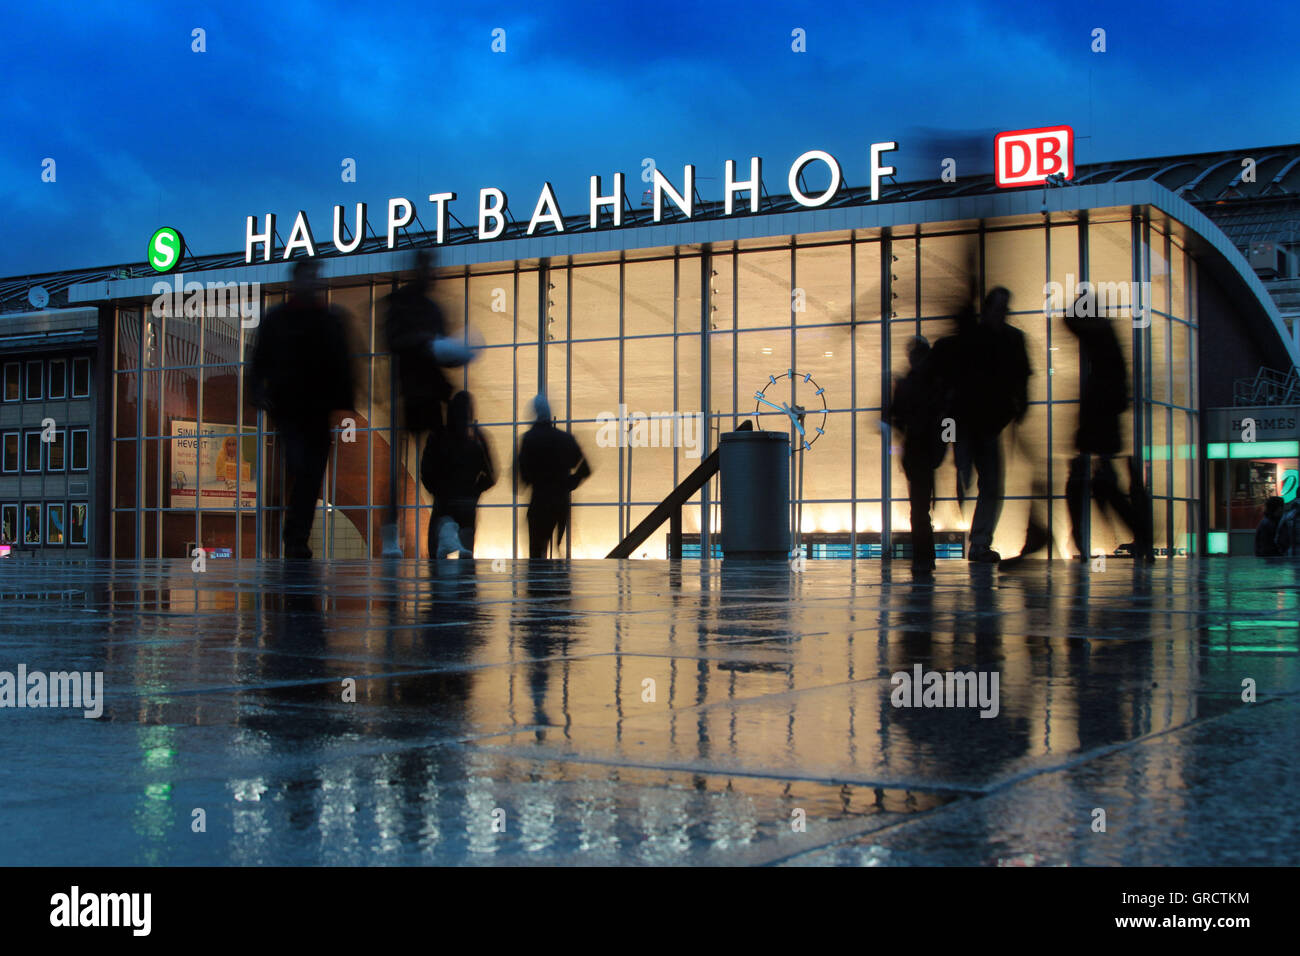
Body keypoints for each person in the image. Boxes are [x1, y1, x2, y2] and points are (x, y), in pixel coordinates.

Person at [248, 258, 356, 559]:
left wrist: (345, 401)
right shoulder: (285, 319)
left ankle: (296, 536)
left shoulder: (325, 319)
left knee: (309, 474)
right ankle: (293, 535)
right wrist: (258, 390)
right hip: (292, 408)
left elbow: (343, 362)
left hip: (315, 410)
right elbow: (260, 360)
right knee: (301, 469)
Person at [937, 287, 1031, 562]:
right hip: (976, 421)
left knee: (985, 480)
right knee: (985, 479)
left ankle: (979, 540)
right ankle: (979, 540)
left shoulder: (993, 339)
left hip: (982, 422)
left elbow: (1020, 377)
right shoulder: (1000, 339)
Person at [1061, 295, 1154, 562]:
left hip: (1098, 416)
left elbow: (1070, 323)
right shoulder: (1105, 335)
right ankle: (1136, 535)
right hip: (1102, 417)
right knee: (1097, 480)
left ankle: (1091, 539)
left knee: (1089, 480)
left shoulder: (1101, 335)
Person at [889, 336, 949, 574]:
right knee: (922, 507)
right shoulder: (936, 385)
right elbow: (947, 418)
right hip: (923, 452)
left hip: (917, 452)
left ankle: (923, 556)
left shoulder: (909, 384)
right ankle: (925, 556)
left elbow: (896, 419)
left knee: (920, 507)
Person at [421, 390, 497, 559]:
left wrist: (437, 491)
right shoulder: (474, 446)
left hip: (444, 504)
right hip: (467, 506)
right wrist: (475, 491)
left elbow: (426, 471)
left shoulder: (437, 439)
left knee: (435, 561)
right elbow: (491, 476)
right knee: (466, 563)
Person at [518, 393, 591, 559]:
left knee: (537, 552)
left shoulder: (529, 439)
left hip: (539, 501)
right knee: (558, 550)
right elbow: (585, 467)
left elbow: (523, 476)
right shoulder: (565, 438)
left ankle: (538, 580)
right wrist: (569, 483)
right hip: (560, 501)